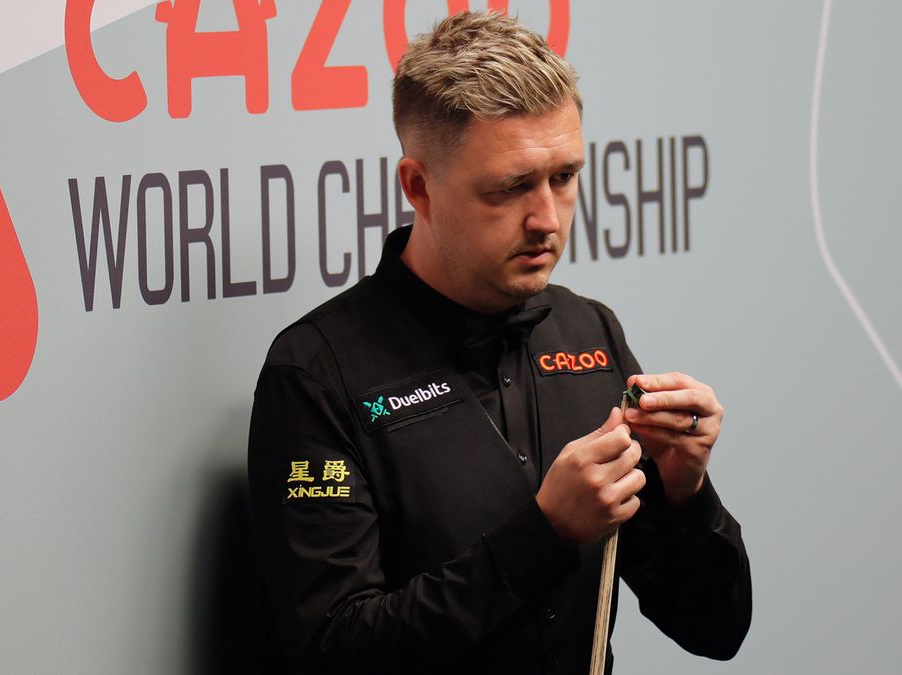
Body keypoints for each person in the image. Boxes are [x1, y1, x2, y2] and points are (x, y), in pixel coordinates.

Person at [247, 11, 751, 675]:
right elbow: (333, 651)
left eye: (564, 178)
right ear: (418, 186)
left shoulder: (589, 333)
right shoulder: (318, 374)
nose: (546, 218)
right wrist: (543, 535)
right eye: (511, 187)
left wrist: (686, 492)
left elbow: (714, 627)